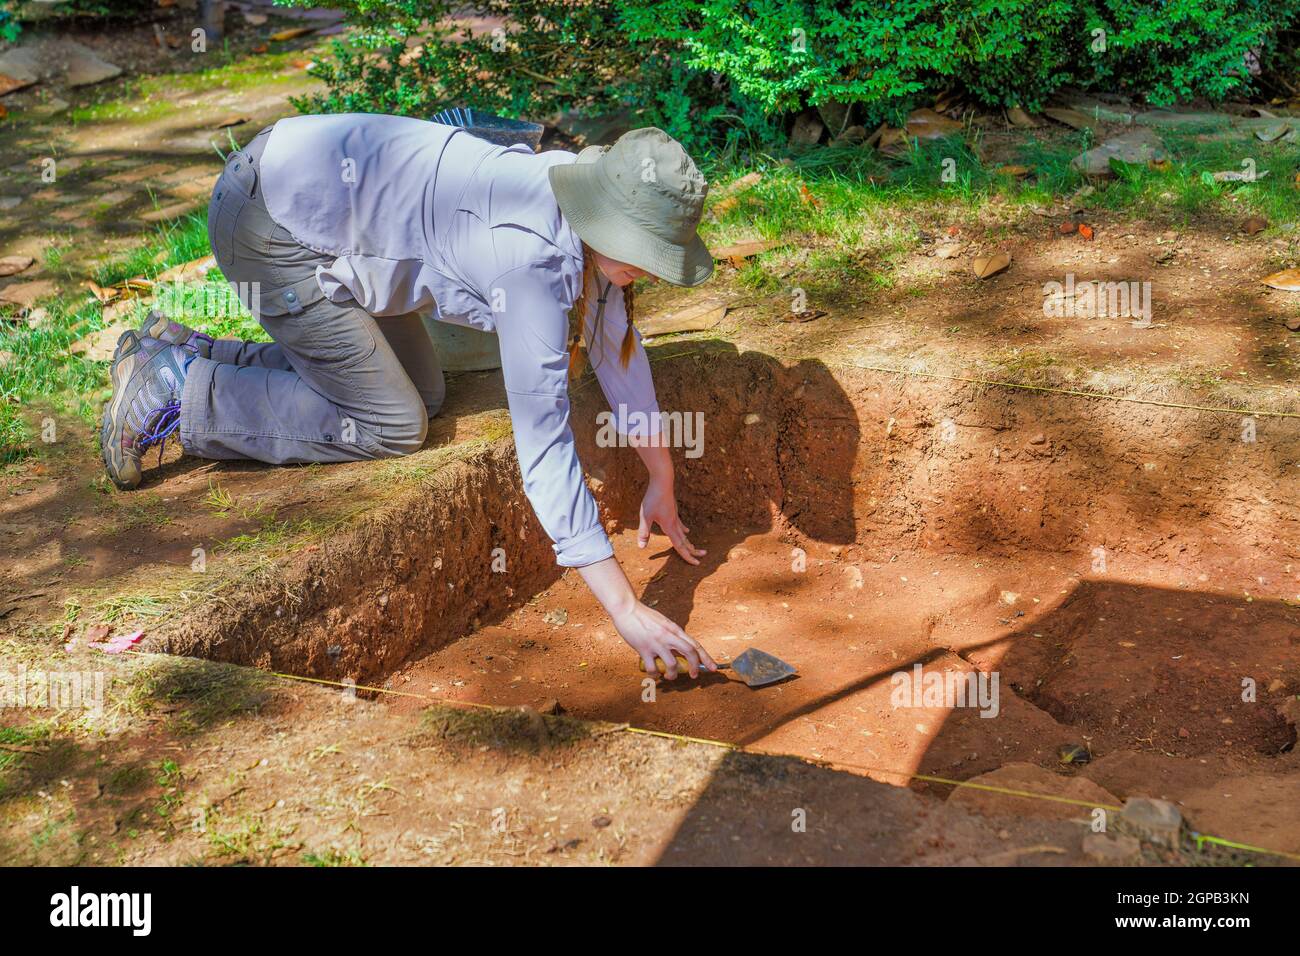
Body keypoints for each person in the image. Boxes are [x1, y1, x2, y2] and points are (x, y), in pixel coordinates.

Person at [100, 114, 719, 679]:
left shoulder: (573, 209)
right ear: (604, 217)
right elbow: (545, 443)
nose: (655, 267)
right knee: (391, 422)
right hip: (272, 225)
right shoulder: (530, 264)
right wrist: (625, 607)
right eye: (646, 250)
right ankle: (178, 390)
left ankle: (187, 353)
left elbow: (616, 344)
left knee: (422, 391)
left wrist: (659, 476)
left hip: (320, 205)